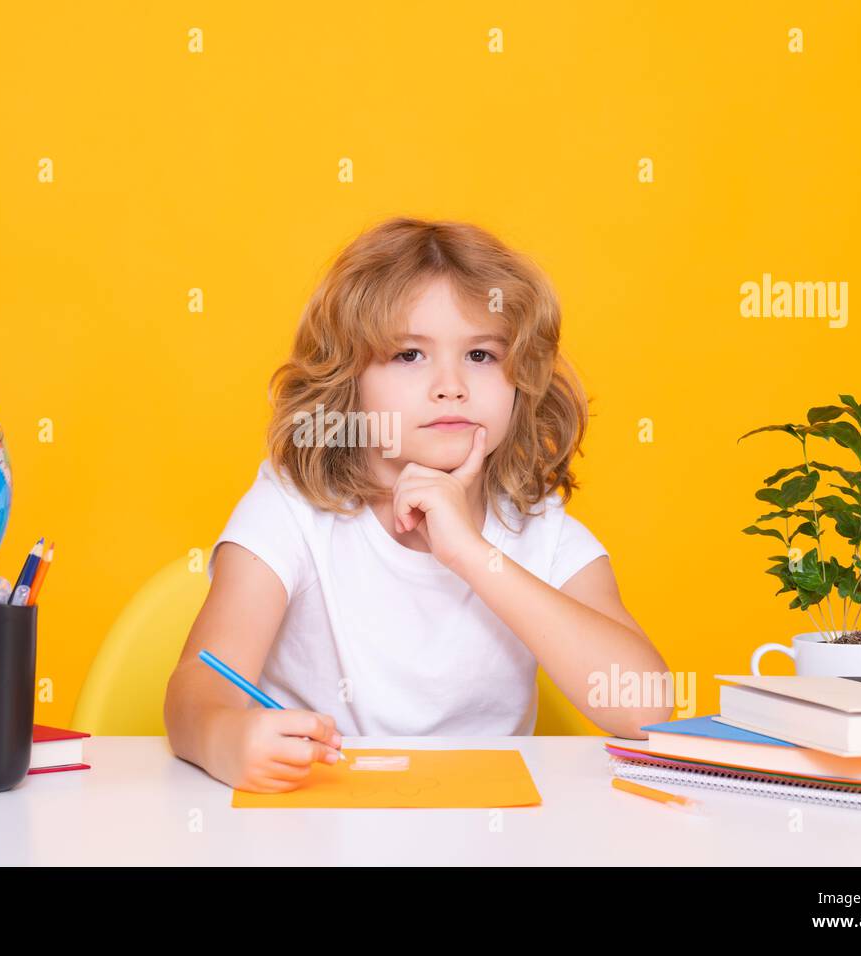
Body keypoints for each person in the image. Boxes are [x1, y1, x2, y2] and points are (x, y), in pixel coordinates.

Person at [165, 216, 672, 792]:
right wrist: (224, 737)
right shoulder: (291, 509)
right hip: (317, 823)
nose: (451, 385)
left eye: (481, 355)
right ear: (347, 384)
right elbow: (195, 691)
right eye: (409, 356)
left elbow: (647, 707)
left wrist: (473, 555)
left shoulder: (540, 530)